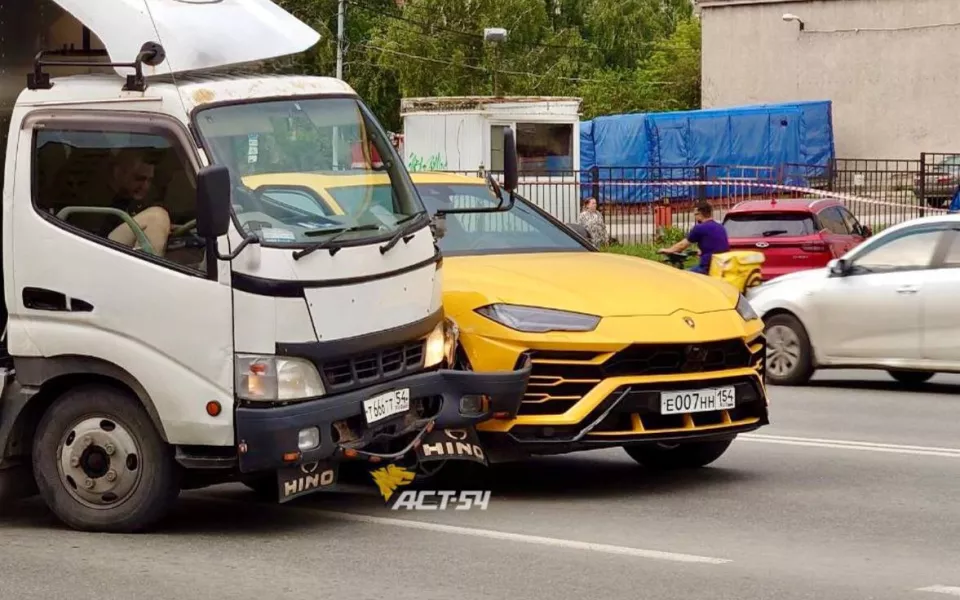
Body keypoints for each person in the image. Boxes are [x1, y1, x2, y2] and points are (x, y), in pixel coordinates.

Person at [100, 149, 172, 256]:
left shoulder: (134, 200)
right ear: (118, 172)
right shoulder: (98, 196)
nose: (146, 186)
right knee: (157, 216)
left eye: (149, 180)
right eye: (139, 179)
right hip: (100, 250)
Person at [658, 201, 729, 274]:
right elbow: (715, 245)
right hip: (722, 266)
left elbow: (682, 245)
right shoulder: (720, 227)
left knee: (682, 275)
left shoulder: (700, 228)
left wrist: (668, 250)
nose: (695, 217)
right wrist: (701, 251)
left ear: (700, 214)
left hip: (707, 268)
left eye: (695, 215)